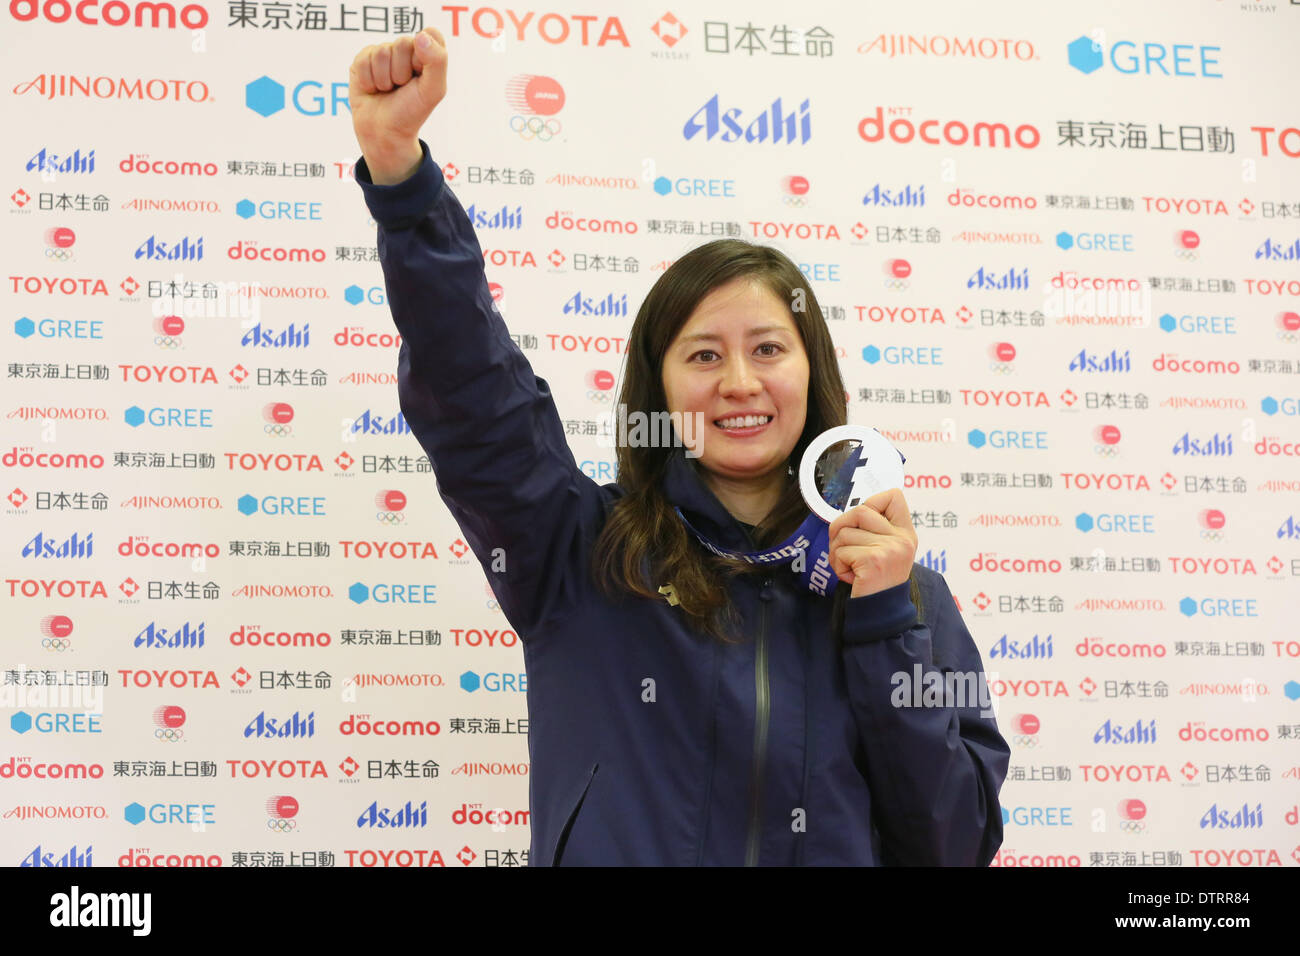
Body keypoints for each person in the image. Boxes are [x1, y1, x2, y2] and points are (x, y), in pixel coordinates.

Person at [348, 27, 1010, 866]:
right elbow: (474, 395)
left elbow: (951, 844)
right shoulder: (577, 550)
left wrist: (882, 620)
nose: (739, 382)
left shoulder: (908, 598)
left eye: (769, 349)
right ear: (657, 386)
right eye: (703, 354)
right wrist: (403, 184)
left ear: (815, 373)